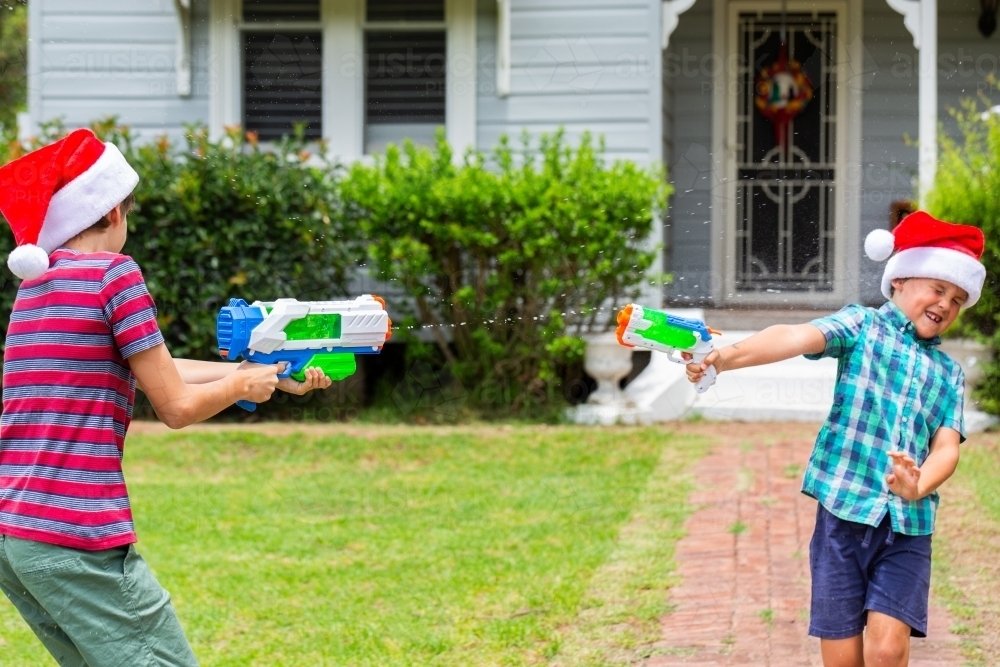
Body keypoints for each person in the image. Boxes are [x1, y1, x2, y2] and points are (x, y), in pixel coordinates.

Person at [0, 128, 331, 666]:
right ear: (110, 212)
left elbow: (155, 370)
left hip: (17, 535)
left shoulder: (36, 287)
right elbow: (174, 407)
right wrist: (241, 388)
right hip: (76, 532)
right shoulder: (116, 274)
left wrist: (249, 370)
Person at [685, 211, 985, 667]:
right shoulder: (861, 327)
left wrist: (918, 484)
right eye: (938, 288)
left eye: (958, 299)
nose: (946, 304)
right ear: (899, 280)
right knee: (843, 659)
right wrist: (725, 358)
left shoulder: (948, 374)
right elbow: (793, 335)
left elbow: (946, 447)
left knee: (886, 650)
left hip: (907, 525)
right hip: (843, 517)